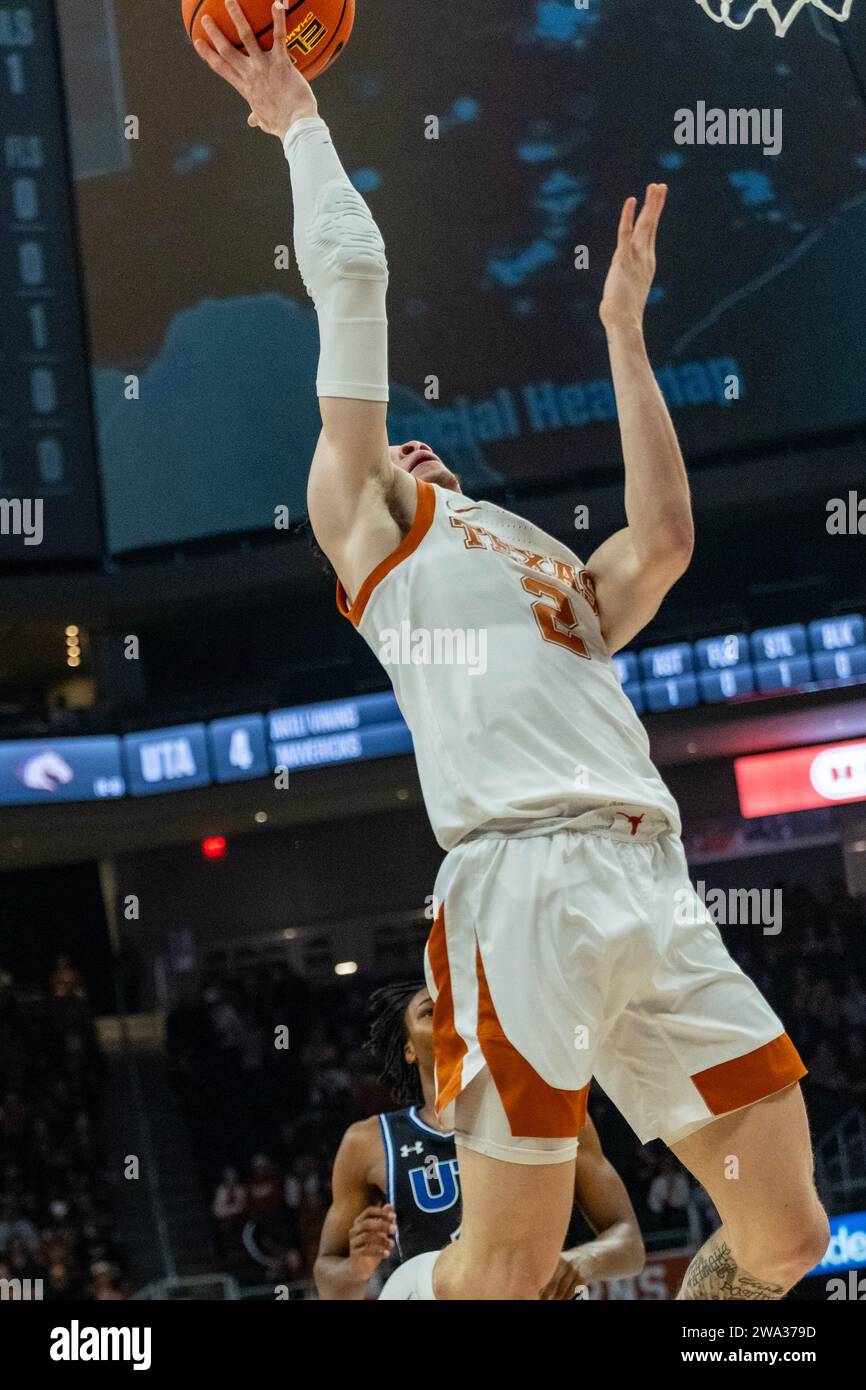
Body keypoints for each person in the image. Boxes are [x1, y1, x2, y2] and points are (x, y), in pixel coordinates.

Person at [195, 1, 829, 1301]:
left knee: (786, 1238)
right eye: (394, 438)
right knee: (501, 1268)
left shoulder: (536, 555)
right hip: (518, 881)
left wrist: (622, 336)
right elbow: (354, 282)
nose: (411, 440)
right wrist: (300, 125)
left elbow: (658, 541)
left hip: (646, 872)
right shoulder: (366, 525)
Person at [314, 982, 644, 1300]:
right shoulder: (368, 1141)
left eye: (458, 1010)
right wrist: (358, 1268)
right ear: (409, 1050)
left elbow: (628, 1241)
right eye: (429, 1012)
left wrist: (581, 1262)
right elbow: (330, 1282)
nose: (448, 1017)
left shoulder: (550, 1109)